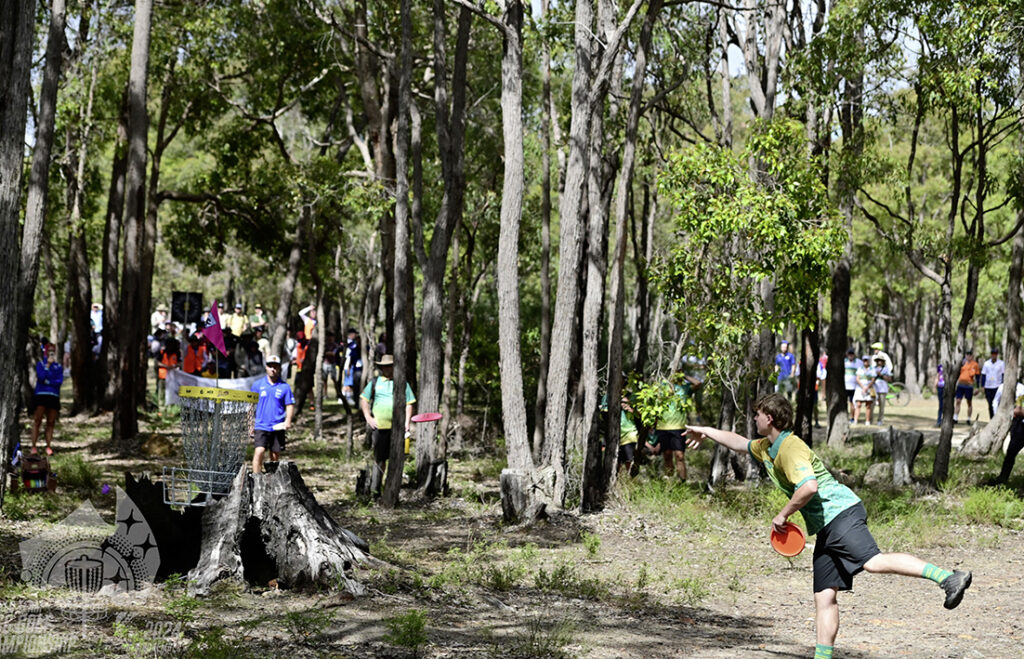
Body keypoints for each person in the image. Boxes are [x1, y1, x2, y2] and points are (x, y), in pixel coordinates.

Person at [685, 393, 972, 659]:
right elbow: (737, 442)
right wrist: (706, 431)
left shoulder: (790, 447)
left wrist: (783, 514)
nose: (754, 419)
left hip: (841, 513)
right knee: (824, 595)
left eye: (757, 415)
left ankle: (947, 577)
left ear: (769, 418)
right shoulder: (767, 447)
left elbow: (808, 487)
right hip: (826, 525)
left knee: (873, 561)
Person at [360, 354, 415, 496]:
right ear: (381, 367)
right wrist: (368, 417)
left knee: (396, 459)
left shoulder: (402, 383)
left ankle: (391, 490)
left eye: (390, 366)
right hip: (379, 427)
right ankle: (375, 490)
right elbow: (364, 399)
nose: (387, 369)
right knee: (379, 459)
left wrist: (407, 423)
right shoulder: (375, 382)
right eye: (385, 366)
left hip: (397, 428)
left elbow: (409, 404)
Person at [652, 371, 701, 483]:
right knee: (667, 455)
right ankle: (669, 482)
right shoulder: (662, 387)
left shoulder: (685, 388)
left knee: (679, 456)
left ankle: (682, 482)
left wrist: (685, 375)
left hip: (678, 427)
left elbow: (698, 383)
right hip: (662, 427)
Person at [250, 355, 295, 474]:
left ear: (279, 368)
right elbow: (251, 405)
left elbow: (289, 404)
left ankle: (272, 479)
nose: (272, 369)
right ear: (266, 367)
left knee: (275, 455)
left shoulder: (285, 387)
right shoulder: (258, 385)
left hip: (277, 425)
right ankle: (256, 478)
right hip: (261, 424)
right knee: (259, 451)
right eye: (270, 366)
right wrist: (250, 424)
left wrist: (288, 421)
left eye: (275, 367)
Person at [30, 343, 63, 455]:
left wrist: (48, 382)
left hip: (53, 396)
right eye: (49, 351)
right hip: (41, 395)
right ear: (45, 352)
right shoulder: (40, 364)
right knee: (37, 420)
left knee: (51, 422)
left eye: (53, 351)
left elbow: (59, 382)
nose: (51, 353)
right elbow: (41, 377)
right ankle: (33, 446)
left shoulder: (58, 367)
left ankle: (48, 446)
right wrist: (47, 366)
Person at [988, 395, 1024, 486]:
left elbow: (1018, 411)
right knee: (1010, 454)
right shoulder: (1022, 397)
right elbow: (1017, 410)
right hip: (1020, 426)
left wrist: (1017, 411)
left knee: (1010, 455)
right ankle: (1002, 478)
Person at [954, 351, 981, 424]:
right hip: (961, 384)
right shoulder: (962, 363)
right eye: (967, 355)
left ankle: (968, 418)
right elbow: (957, 373)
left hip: (969, 385)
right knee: (958, 400)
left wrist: (977, 387)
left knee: (969, 402)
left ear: (972, 356)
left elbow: (977, 376)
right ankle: (955, 417)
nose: (968, 356)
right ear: (965, 356)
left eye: (970, 355)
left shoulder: (975, 364)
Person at [980, 348, 1005, 419]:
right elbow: (984, 375)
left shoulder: (1001, 363)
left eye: (995, 354)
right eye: (993, 354)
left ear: (997, 355)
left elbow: (1003, 374)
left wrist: (1003, 385)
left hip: (997, 386)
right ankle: (991, 417)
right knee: (990, 403)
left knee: (996, 403)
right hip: (988, 386)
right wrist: (982, 385)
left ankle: (997, 417)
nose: (994, 355)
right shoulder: (986, 363)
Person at [342, 328, 363, 405]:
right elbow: (350, 360)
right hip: (356, 370)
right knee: (353, 385)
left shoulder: (366, 349)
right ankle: (354, 400)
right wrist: (348, 368)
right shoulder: (353, 348)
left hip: (363, 370)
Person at [852, 355, 875, 426]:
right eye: (864, 360)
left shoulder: (872, 369)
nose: (865, 362)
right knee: (858, 404)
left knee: (868, 405)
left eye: (867, 360)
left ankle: (867, 421)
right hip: (860, 388)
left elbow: (873, 379)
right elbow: (857, 378)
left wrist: (867, 387)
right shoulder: (860, 369)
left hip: (869, 388)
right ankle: (855, 420)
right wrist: (863, 387)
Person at [872, 356, 893, 426]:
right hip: (874, 388)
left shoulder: (886, 369)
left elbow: (889, 379)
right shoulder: (873, 368)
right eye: (878, 361)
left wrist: (881, 375)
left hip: (883, 389)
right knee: (872, 404)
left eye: (881, 361)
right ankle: (870, 419)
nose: (879, 362)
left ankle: (880, 419)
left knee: (882, 406)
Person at [843, 348, 859, 423]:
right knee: (844, 403)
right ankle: (844, 417)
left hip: (854, 387)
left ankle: (852, 417)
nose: (851, 355)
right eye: (849, 354)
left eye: (852, 354)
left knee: (853, 403)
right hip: (845, 386)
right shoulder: (844, 362)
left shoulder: (859, 362)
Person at [814, 353, 827, 428]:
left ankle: (816, 421)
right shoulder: (800, 362)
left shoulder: (818, 364)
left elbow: (818, 376)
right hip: (802, 389)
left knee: (815, 406)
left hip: (814, 388)